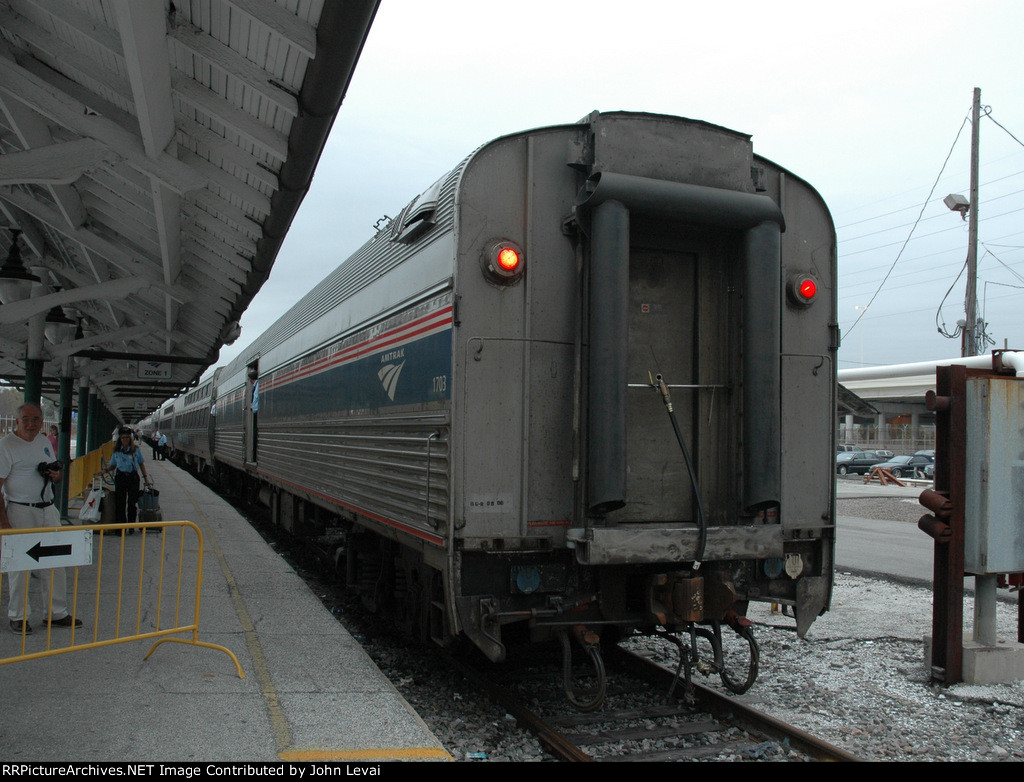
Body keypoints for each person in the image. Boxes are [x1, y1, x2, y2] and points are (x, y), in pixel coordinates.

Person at [0, 403, 83, 634]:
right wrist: (5, 522)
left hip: (48, 509)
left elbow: (56, 476)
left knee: (55, 562)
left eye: (36, 419)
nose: (30, 424)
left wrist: (56, 475)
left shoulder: (44, 442)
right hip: (20, 510)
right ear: (17, 421)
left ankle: (56, 613)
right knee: (20, 565)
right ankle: (18, 615)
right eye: (25, 419)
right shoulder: (6, 446)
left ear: (41, 422)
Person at [105, 427, 153, 534]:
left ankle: (131, 526)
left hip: (133, 478)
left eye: (127, 437)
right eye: (123, 437)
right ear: (120, 439)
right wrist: (104, 471)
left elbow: (141, 464)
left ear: (130, 438)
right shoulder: (117, 451)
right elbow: (113, 465)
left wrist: (146, 478)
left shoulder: (135, 450)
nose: (125, 439)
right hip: (121, 477)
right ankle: (120, 528)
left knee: (132, 503)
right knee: (120, 503)